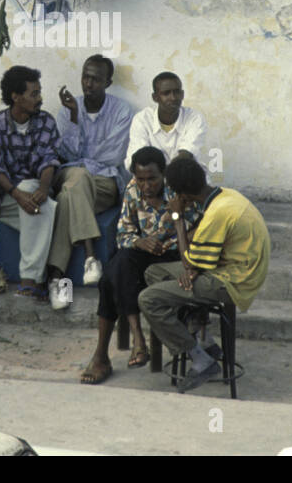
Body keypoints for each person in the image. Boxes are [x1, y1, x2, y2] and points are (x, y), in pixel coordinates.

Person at [138, 155, 270, 393]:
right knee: (154, 272)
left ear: (183, 196)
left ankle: (200, 359)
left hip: (232, 281)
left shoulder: (217, 213)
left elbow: (188, 262)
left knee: (148, 299)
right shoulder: (225, 196)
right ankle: (203, 337)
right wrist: (191, 271)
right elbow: (197, 253)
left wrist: (177, 217)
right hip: (230, 266)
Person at [80, 147, 204, 385]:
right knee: (112, 275)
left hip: (175, 255)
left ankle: (112, 353)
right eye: (141, 179)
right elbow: (123, 233)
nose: (147, 186)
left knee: (114, 275)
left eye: (153, 179)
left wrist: (168, 236)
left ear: (164, 175)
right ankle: (134, 340)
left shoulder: (178, 190)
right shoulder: (132, 190)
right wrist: (140, 242)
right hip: (144, 252)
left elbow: (196, 226)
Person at [50, 54, 131, 295]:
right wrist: (75, 118)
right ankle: (90, 257)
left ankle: (57, 279)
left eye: (96, 79)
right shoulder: (67, 110)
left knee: (68, 196)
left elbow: (113, 157)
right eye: (85, 77)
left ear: (108, 82)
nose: (88, 83)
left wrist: (80, 162)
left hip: (105, 184)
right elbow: (64, 153)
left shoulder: (121, 111)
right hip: (74, 178)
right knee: (76, 178)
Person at [0, 65, 61, 302]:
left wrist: (45, 188)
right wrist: (17, 194)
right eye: (34, 94)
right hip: (4, 199)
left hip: (35, 195)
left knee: (43, 207)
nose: (40, 98)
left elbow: (49, 159)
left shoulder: (46, 122)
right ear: (16, 97)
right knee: (42, 208)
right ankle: (38, 279)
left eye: (39, 92)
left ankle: (29, 280)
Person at [126, 72, 208, 169]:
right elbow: (138, 159)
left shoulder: (194, 118)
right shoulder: (142, 119)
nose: (173, 98)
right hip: (151, 178)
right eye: (166, 93)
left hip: (186, 177)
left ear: (182, 94)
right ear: (155, 97)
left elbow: (185, 156)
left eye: (177, 92)